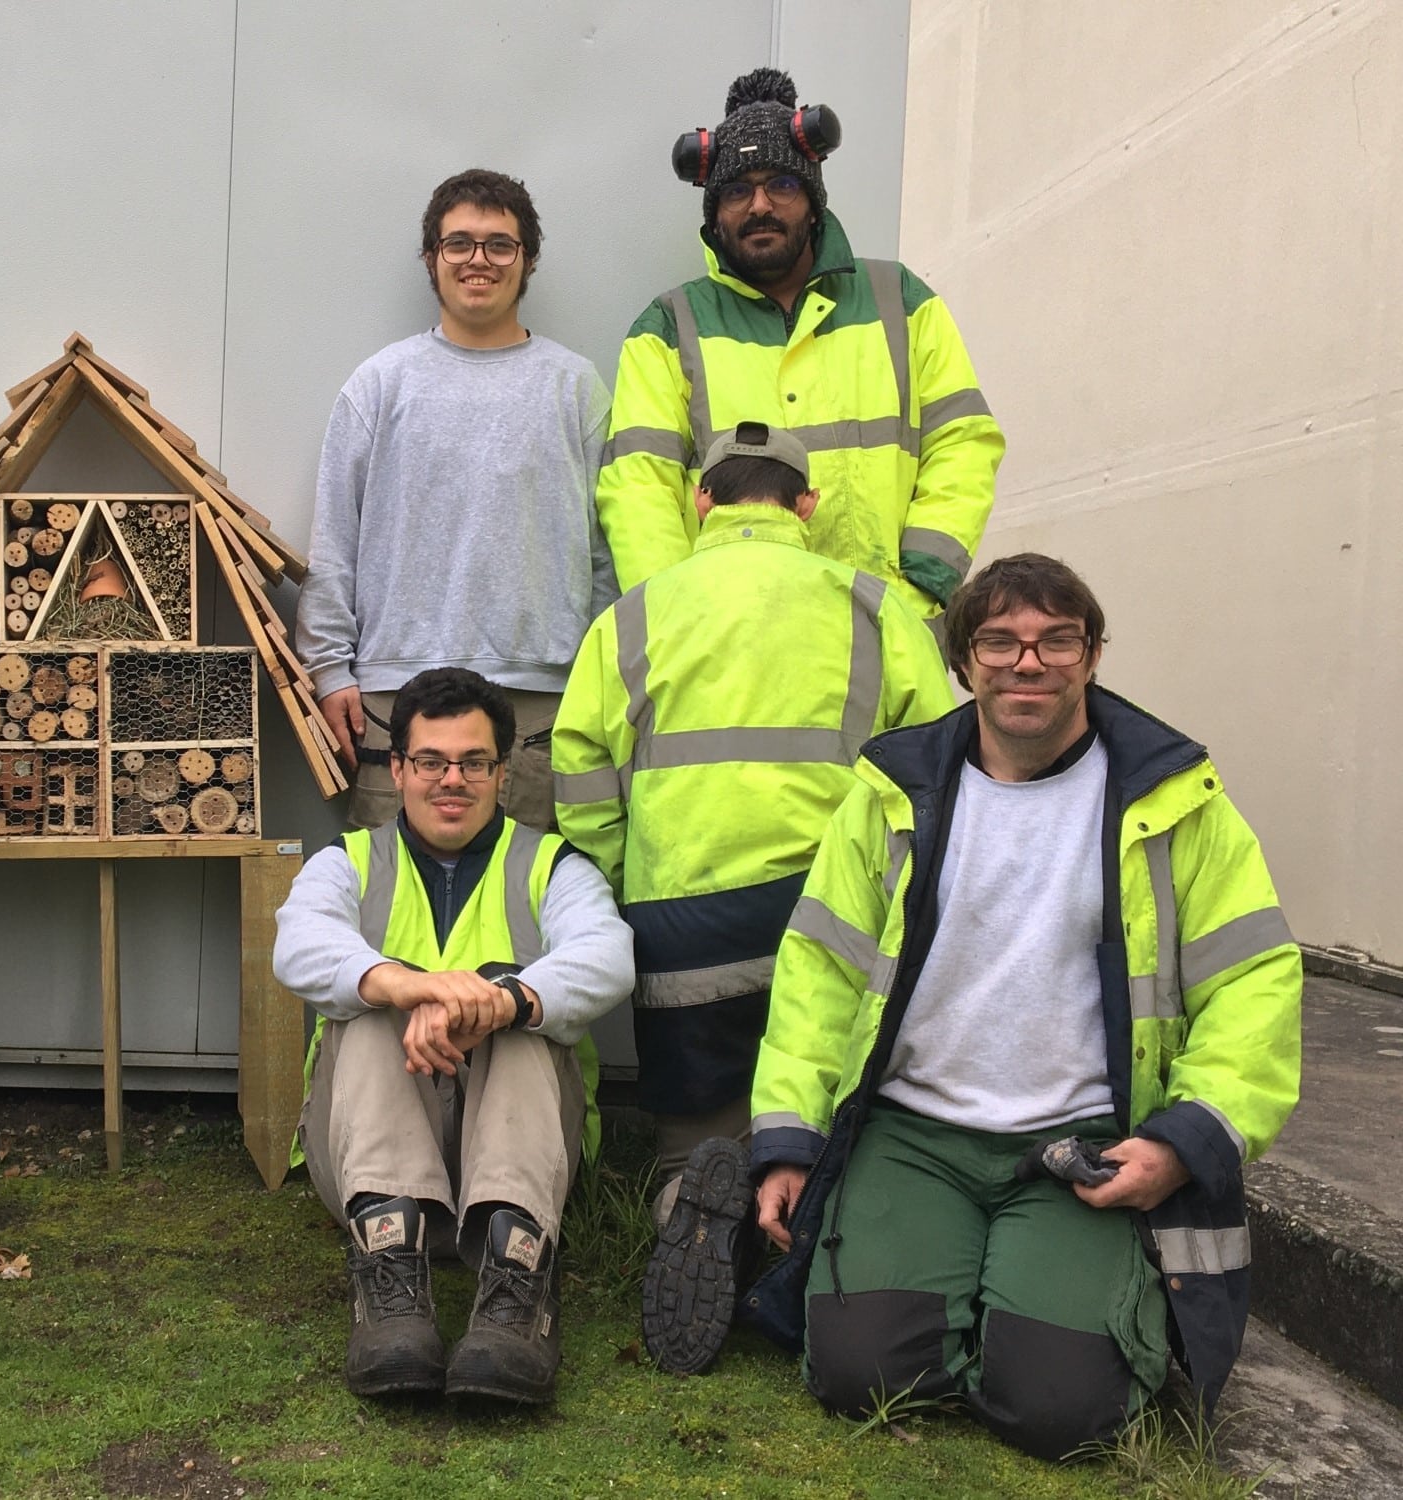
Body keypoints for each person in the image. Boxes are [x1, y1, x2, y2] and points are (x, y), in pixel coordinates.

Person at [740, 553, 1300, 1459]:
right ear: (964, 662)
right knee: (860, 1376)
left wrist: (1179, 1141)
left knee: (1060, 1414)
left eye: (1055, 641)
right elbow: (819, 976)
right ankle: (955, 1287)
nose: (1027, 663)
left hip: (1078, 1150)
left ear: (1093, 655)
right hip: (913, 1135)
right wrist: (790, 1140)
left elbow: (1255, 982)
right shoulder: (890, 794)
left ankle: (1024, 1310)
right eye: (998, 641)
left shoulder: (1177, 801)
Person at [550, 422, 954, 1373]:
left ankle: (689, 1206)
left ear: (701, 501)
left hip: (684, 916)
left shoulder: (635, 618)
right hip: (831, 916)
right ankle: (807, 1238)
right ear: (806, 506)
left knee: (695, 1121)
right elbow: (939, 760)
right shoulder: (876, 606)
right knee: (827, 1097)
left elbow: (579, 772)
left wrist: (625, 880)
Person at [273, 667, 634, 1402]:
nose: (452, 780)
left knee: (527, 1016)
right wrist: (409, 986)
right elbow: (298, 945)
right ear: (398, 769)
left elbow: (608, 956)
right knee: (373, 1006)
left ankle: (516, 1287)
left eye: (474, 762)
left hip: (519, 1162)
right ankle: (390, 1290)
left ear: (503, 773)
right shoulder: (347, 861)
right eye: (431, 761)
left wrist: (501, 1003)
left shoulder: (553, 865)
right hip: (369, 1160)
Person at [595, 67, 1004, 611]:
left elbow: (964, 444)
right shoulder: (669, 327)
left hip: (888, 629)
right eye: (737, 190)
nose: (760, 206)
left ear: (813, 201)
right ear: (714, 215)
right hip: (728, 641)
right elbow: (638, 487)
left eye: (782, 185)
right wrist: (680, 613)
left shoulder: (899, 299)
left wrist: (918, 587)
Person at [295, 169, 616, 830]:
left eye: (501, 244)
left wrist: (599, 676)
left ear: (526, 261)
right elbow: (334, 538)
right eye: (459, 243)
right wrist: (329, 670)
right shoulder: (380, 384)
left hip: (543, 705)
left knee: (525, 911)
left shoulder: (577, 388)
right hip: (396, 698)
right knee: (390, 910)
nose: (479, 259)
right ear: (431, 258)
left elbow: (607, 546)